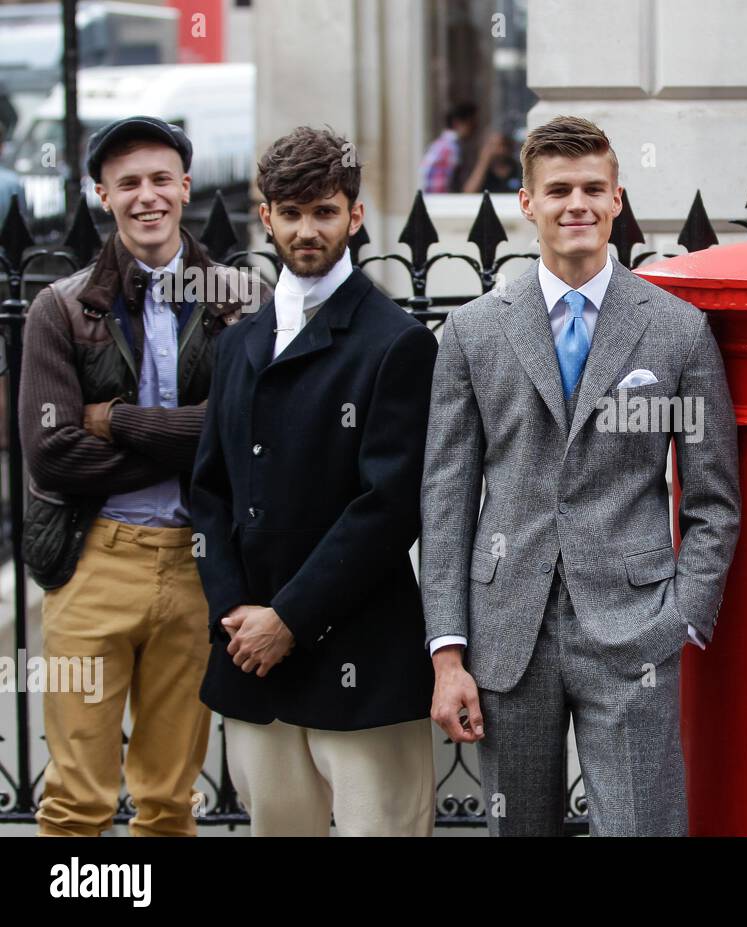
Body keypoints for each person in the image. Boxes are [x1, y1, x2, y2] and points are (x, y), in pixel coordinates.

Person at [421, 115, 741, 836]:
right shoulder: (473, 331)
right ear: (528, 203)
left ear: (617, 199)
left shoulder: (676, 329)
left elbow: (714, 498)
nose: (578, 204)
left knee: (641, 825)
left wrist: (683, 615)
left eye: (594, 188)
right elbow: (445, 502)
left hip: (635, 629)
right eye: (559, 189)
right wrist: (448, 652)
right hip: (507, 632)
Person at [190, 126, 439, 836]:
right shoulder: (238, 342)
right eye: (291, 212)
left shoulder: (396, 341)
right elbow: (210, 491)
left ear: (354, 217)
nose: (308, 229)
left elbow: (388, 508)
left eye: (324, 211)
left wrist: (289, 618)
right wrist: (233, 605)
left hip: (360, 659)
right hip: (252, 662)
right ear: (264, 217)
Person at [18, 116, 249, 835]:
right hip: (92, 563)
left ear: (185, 186)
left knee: (169, 800)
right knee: (75, 799)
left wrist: (114, 421)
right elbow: (51, 452)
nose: (145, 196)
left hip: (195, 566)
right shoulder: (60, 306)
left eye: (159, 179)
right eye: (127, 184)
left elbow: (245, 438)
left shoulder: (238, 300)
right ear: (101, 196)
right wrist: (194, 436)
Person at [419, 102, 478, 194]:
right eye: (471, 123)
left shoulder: (440, 144)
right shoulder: (452, 148)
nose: (475, 127)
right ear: (457, 123)